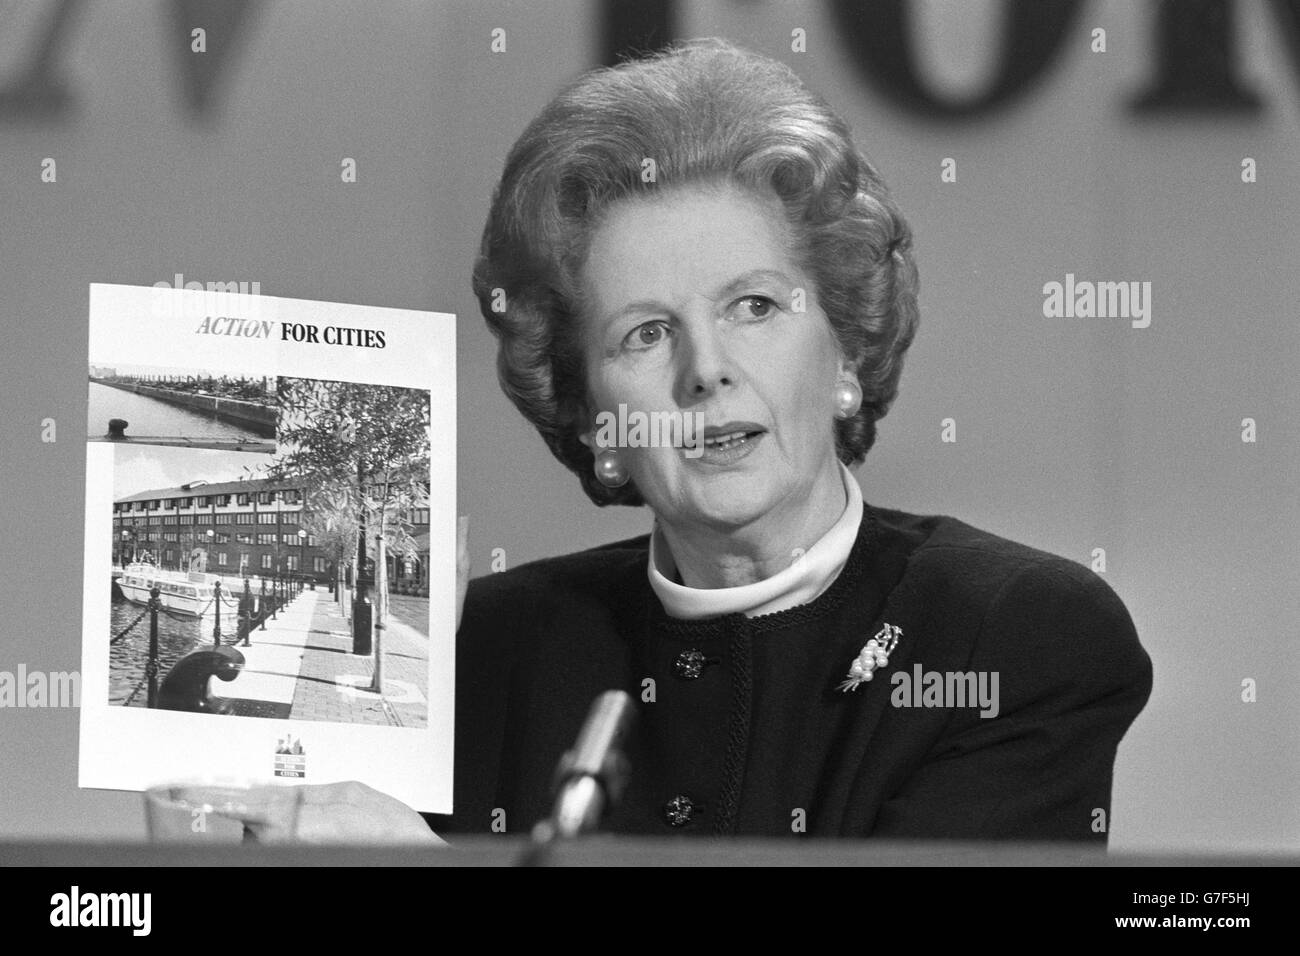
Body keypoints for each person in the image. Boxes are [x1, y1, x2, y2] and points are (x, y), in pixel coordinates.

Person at [204, 39, 1152, 844]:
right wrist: (323, 733)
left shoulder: (1017, 635)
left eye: (753, 307)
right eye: (645, 333)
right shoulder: (477, 655)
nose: (705, 370)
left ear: (847, 355)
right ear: (588, 418)